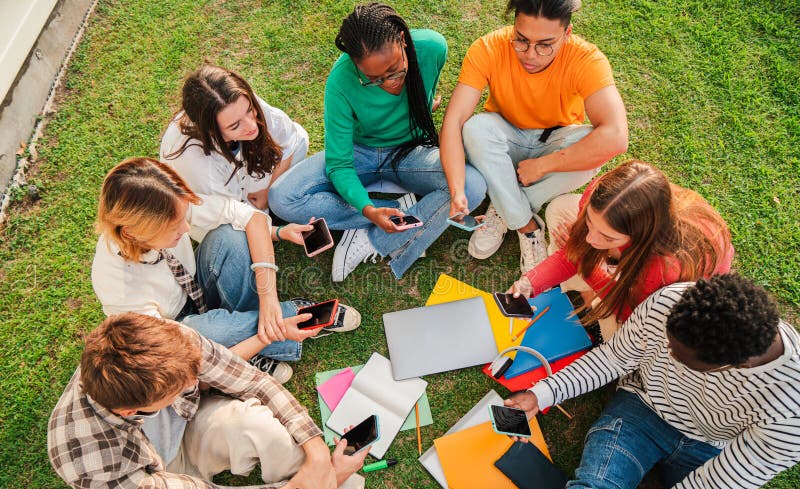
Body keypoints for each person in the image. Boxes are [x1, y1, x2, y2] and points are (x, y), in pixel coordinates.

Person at [48, 313, 435, 489]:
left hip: (188, 431)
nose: (195, 380)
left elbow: (252, 380)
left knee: (261, 426)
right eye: (180, 387)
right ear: (135, 411)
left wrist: (318, 454)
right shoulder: (88, 459)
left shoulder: (159, 339)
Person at [506, 274, 800, 489]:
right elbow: (615, 357)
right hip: (640, 409)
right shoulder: (672, 301)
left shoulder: (790, 413)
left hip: (713, 451)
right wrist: (543, 393)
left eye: (679, 356)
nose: (665, 352)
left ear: (735, 366)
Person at [269, 2, 487, 281]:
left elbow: (424, 92)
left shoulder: (432, 49)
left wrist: (424, 105)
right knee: (282, 197)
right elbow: (339, 165)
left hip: (411, 152)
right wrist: (368, 209)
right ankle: (397, 214)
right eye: (373, 79)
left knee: (473, 185)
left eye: (396, 70)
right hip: (360, 153)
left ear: (403, 41)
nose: (389, 83)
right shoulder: (341, 81)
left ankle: (375, 241)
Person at [91, 158, 360, 383]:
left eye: (184, 217)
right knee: (201, 340)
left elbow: (250, 217)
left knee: (228, 236)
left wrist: (268, 298)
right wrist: (270, 329)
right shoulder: (119, 287)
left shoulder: (167, 201)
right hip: (176, 330)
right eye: (174, 228)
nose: (186, 230)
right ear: (133, 232)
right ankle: (290, 320)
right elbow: (178, 360)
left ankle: (253, 333)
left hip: (198, 281)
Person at [440, 0, 628, 273]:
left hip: (554, 143)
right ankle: (526, 225)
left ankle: (504, 204)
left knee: (593, 149)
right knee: (474, 128)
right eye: (521, 40)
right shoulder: (488, 48)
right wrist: (457, 190)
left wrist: (543, 165)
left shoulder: (588, 59)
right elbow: (453, 121)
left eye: (545, 44)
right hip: (503, 135)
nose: (530, 54)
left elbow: (617, 137)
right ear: (513, 27)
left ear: (567, 34)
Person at [509, 160, 733, 341]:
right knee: (559, 210)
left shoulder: (665, 268)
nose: (590, 238)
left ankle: (591, 300)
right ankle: (588, 295)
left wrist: (591, 269)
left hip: (648, 308)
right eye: (589, 221)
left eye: (607, 236)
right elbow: (575, 251)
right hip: (619, 265)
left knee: (617, 337)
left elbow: (632, 315)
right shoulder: (602, 193)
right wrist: (531, 282)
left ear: (638, 236)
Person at [160, 63, 309, 212]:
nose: (252, 126)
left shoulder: (235, 103)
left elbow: (289, 140)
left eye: (249, 110)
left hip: (242, 177)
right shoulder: (196, 162)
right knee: (232, 234)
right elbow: (230, 212)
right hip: (212, 208)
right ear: (211, 131)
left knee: (300, 139)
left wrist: (268, 192)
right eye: (235, 126)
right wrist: (276, 231)